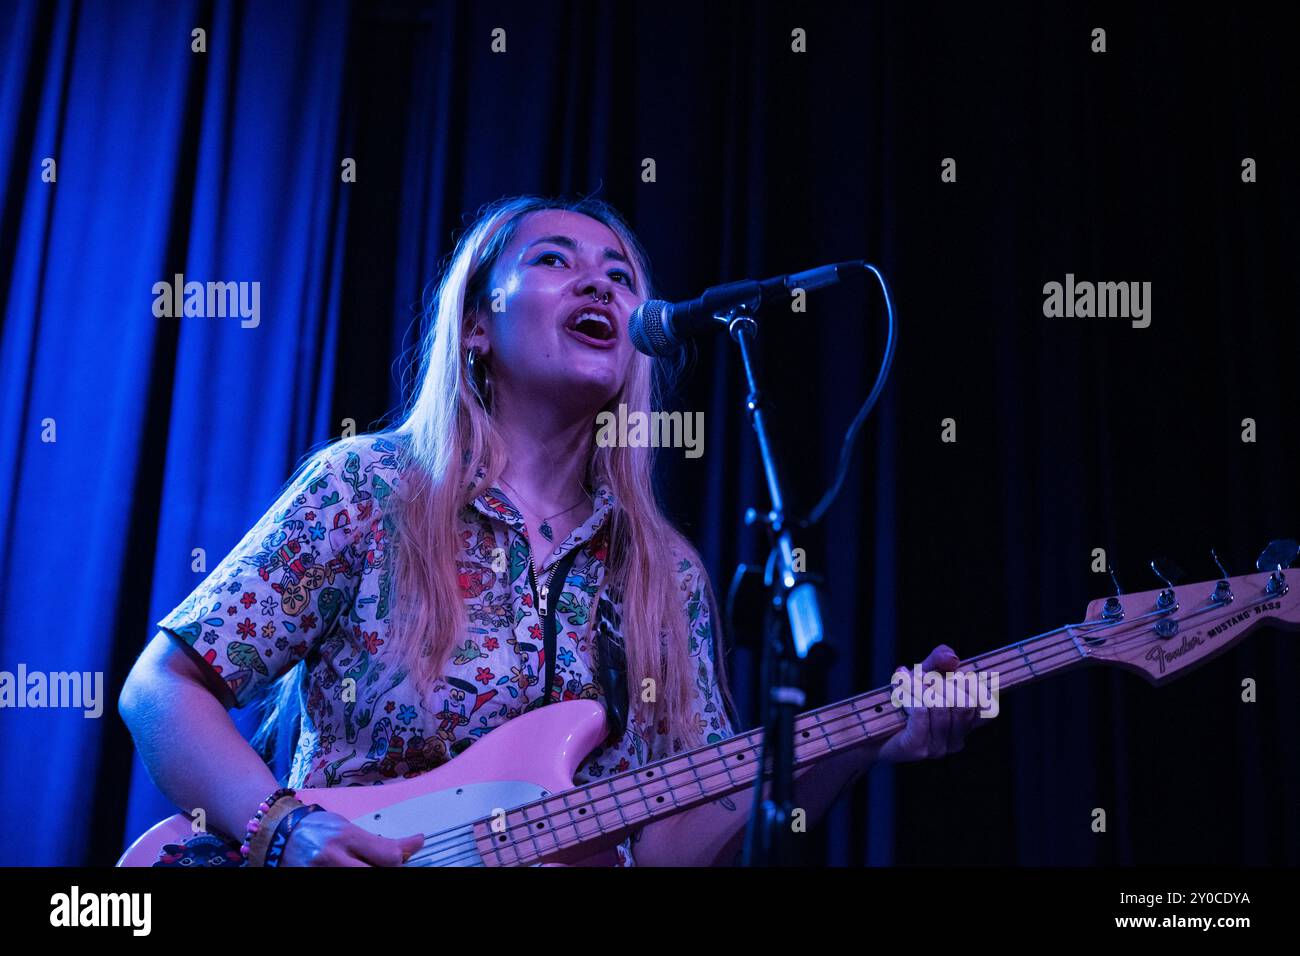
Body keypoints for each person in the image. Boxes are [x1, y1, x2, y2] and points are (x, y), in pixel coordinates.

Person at [119, 194, 981, 866]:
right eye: (554, 260)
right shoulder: (368, 487)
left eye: (619, 273)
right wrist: (281, 827)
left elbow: (680, 843)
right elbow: (161, 687)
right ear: (477, 331)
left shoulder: (662, 575)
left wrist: (866, 739)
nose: (599, 283)